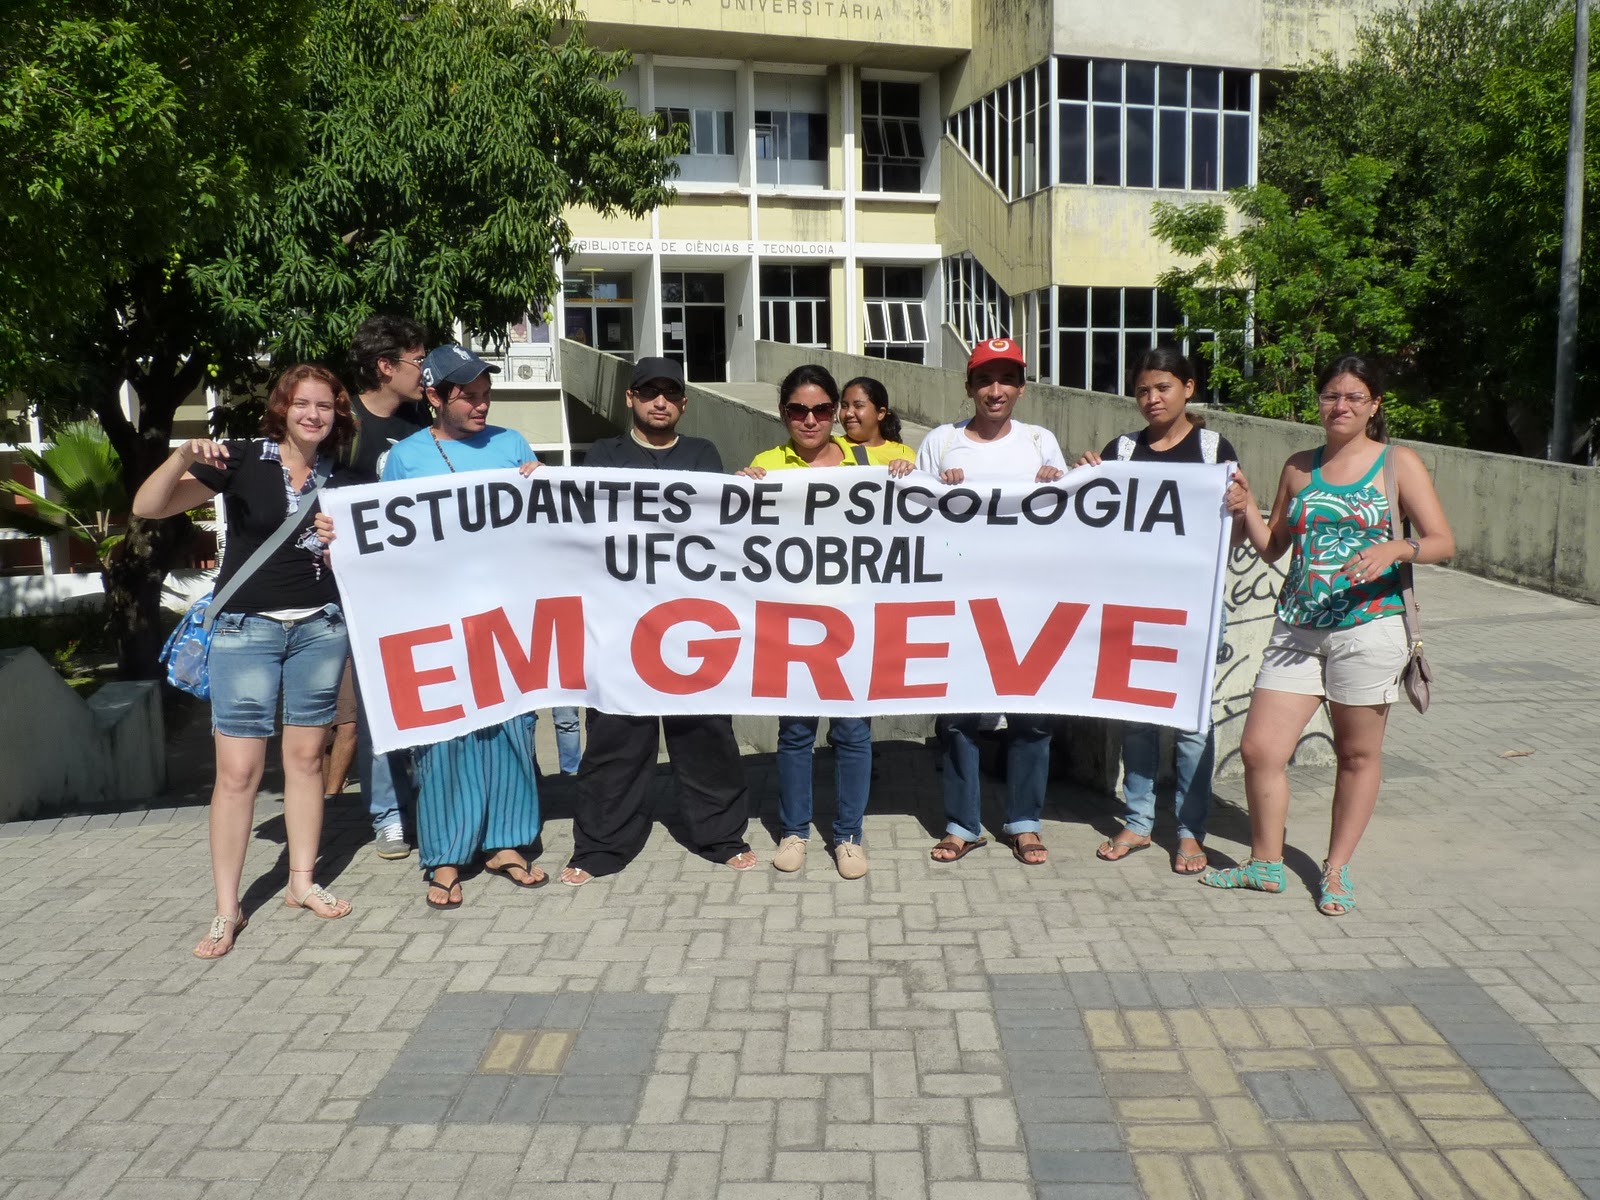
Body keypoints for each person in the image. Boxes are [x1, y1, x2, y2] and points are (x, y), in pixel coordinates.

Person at [1213, 353, 1454, 914]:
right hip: (1297, 628)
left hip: (1369, 629)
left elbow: (1443, 541)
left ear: (1374, 405)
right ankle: (1265, 863)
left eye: (1353, 397)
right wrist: (1247, 507)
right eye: (1330, 395)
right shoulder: (1300, 466)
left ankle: (1337, 868)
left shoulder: (1397, 463)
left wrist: (1398, 547)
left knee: (1356, 754)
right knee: (1260, 749)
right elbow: (1273, 546)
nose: (1340, 406)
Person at [132, 364, 357, 958]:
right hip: (245, 630)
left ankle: (302, 882)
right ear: (282, 407)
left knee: (306, 759)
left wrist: (340, 545)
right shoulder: (241, 458)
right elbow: (149, 507)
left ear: (337, 414)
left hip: (321, 628)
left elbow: (365, 559)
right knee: (238, 773)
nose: (313, 415)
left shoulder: (345, 475)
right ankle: (227, 908)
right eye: (302, 403)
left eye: (325, 406)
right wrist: (182, 456)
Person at [559, 356, 756, 885]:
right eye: (649, 392)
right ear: (631, 398)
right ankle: (600, 847)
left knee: (706, 735)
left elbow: (724, 527)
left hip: (693, 622)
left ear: (684, 403)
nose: (660, 402)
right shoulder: (604, 455)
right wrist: (537, 484)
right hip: (621, 625)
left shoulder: (703, 454)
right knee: (615, 739)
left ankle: (722, 836)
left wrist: (750, 490)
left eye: (670, 393)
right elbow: (575, 521)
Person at [380, 345, 549, 908]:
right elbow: (387, 539)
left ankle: (507, 843)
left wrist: (544, 486)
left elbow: (542, 527)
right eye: (468, 396)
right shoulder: (405, 457)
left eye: (485, 395)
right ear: (434, 396)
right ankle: (446, 855)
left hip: (508, 615)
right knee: (444, 735)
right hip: (437, 617)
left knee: (511, 728)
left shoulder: (513, 444)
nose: (482, 405)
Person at [1076, 345, 1239, 875]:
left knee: (1193, 726)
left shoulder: (1214, 450)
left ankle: (1191, 832)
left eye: (1163, 387)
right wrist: (1084, 480)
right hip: (1134, 607)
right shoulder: (1121, 451)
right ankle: (1139, 821)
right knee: (1137, 722)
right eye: (1143, 390)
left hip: (1194, 610)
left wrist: (1241, 510)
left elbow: (1231, 538)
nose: (1152, 398)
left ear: (1188, 389)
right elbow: (1094, 525)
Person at [915, 337, 1067, 868]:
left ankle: (1024, 823)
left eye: (1005, 380)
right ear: (969, 386)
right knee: (958, 719)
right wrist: (937, 487)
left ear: (1021, 388)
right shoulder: (940, 442)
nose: (995, 390)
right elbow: (914, 517)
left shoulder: (1041, 442)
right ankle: (962, 825)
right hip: (958, 604)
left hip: (1027, 604)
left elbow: (1067, 520)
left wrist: (1058, 482)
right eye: (984, 379)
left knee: (1031, 719)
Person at [739, 364, 873, 880]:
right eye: (798, 410)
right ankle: (794, 831)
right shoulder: (766, 464)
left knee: (853, 732)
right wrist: (739, 491)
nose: (810, 419)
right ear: (783, 413)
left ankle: (848, 836)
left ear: (836, 412)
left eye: (821, 409)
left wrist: (911, 479)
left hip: (854, 620)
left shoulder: (870, 462)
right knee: (795, 732)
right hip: (791, 620)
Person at [345, 315, 430, 860]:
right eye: (418, 362)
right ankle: (388, 815)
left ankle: (427, 804)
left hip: (420, 590)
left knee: (421, 698)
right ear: (384, 366)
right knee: (378, 704)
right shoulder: (343, 426)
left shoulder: (423, 422)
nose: (425, 372)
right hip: (363, 592)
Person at [836, 376, 915, 476]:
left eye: (858, 406)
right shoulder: (834, 447)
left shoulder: (905, 454)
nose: (848, 413)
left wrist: (909, 471)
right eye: (844, 406)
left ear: (881, 413)